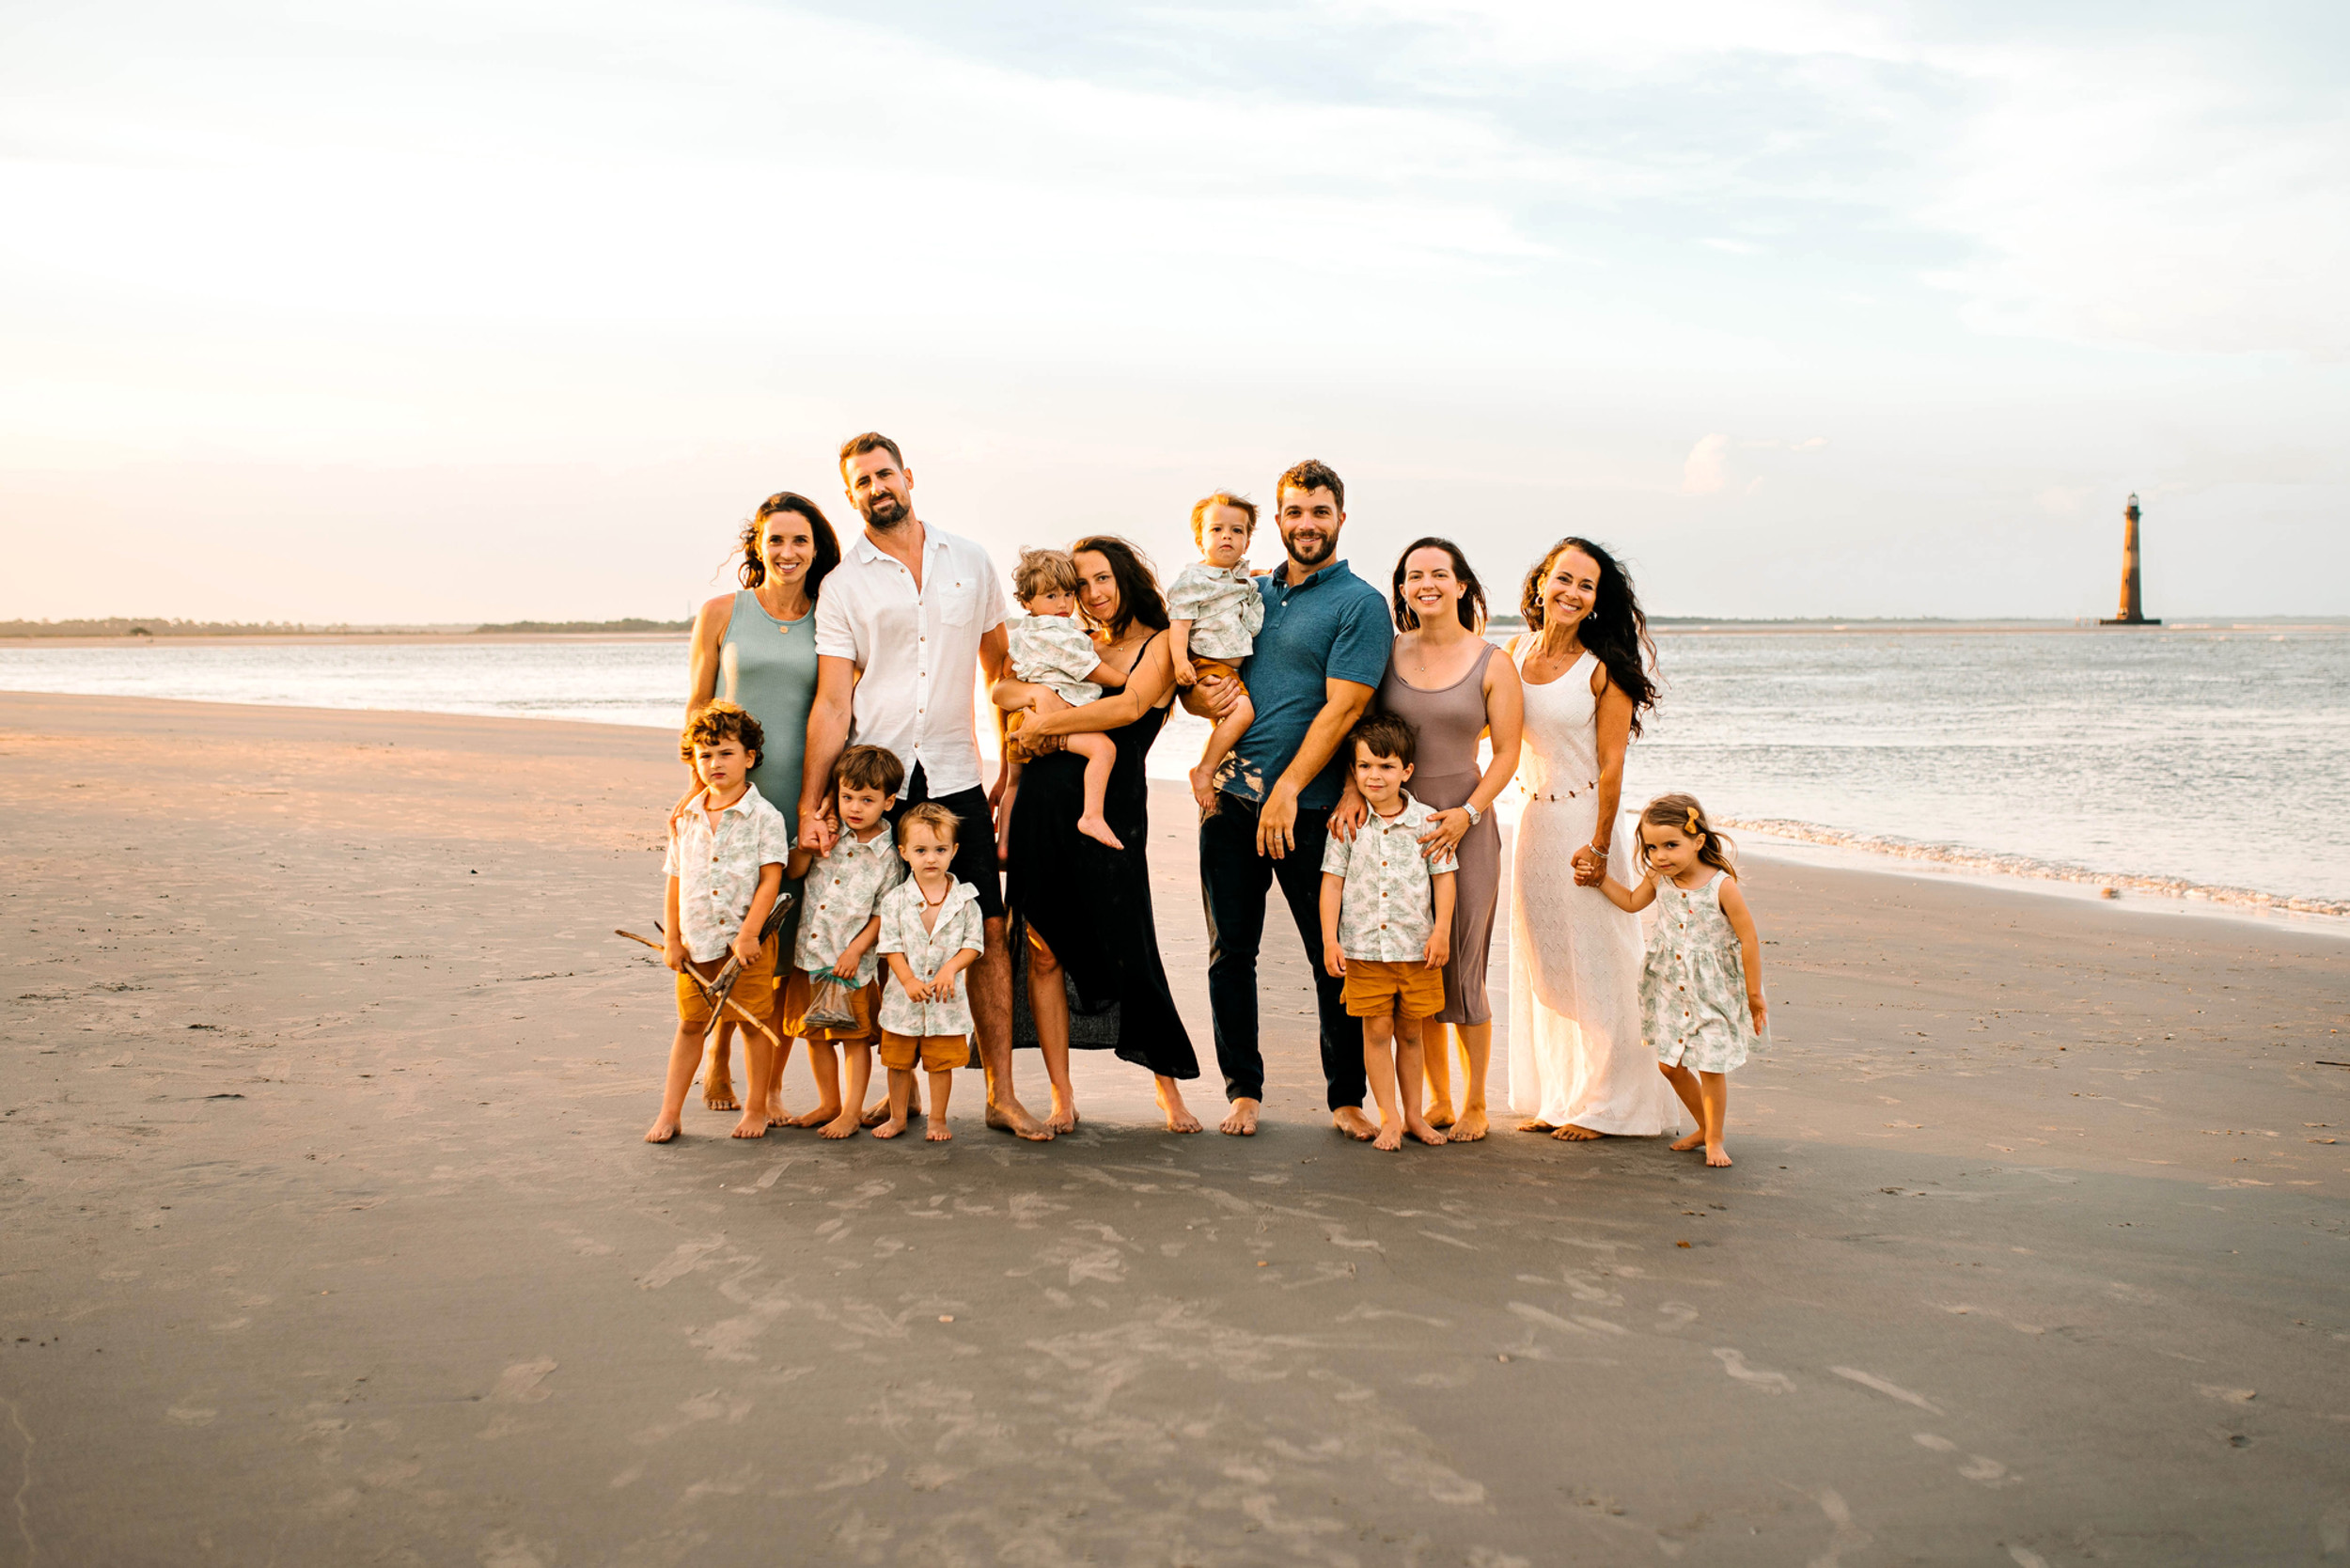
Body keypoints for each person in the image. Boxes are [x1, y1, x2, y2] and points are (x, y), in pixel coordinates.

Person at [797, 431, 1052, 1140]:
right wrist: (813, 802)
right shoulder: (844, 585)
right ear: (851, 496)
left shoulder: (970, 561)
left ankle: (1001, 1093)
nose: (877, 487)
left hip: (957, 775)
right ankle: (896, 1092)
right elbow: (831, 704)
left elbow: (1001, 675)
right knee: (882, 937)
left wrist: (1012, 769)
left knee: (990, 933)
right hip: (880, 784)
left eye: (885, 474)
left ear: (908, 477)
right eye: (862, 481)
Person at [1196, 459, 1394, 1138]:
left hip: (1310, 812)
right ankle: (1242, 1091)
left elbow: (1344, 710)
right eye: (1294, 512)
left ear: (1340, 517)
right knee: (1231, 953)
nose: (1306, 524)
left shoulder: (1360, 604)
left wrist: (1287, 790)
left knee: (1329, 954)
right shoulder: (1246, 593)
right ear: (1276, 521)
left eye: (1319, 512)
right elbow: (1205, 680)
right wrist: (1206, 695)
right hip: (1230, 805)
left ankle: (1345, 1098)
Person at [996, 537, 1205, 1134]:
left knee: (1128, 943)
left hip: (1110, 806)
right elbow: (1004, 691)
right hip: (1042, 801)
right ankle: (1062, 1096)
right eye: (1080, 583)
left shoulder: (1164, 642)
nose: (1093, 593)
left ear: (1127, 578)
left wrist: (1044, 724)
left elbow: (1129, 708)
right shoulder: (1064, 641)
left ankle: (1168, 1089)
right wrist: (1027, 714)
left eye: (1102, 578)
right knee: (1042, 950)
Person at [1505, 537, 1683, 1141]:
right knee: (1549, 966)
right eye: (1564, 579)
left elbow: (1612, 768)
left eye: (1587, 586)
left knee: (1601, 964)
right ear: (1541, 582)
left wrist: (1602, 848)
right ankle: (1563, 1094)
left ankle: (1609, 1104)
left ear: (1597, 602)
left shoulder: (1602, 669)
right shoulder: (1515, 651)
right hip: (1533, 823)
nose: (1572, 593)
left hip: (1584, 826)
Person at [681, 492, 838, 1118]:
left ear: (817, 549)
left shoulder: (830, 618)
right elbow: (698, 705)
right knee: (721, 930)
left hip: (799, 798)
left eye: (800, 541)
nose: (789, 552)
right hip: (730, 797)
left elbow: (833, 711)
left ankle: (767, 1088)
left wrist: (823, 802)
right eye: (776, 540)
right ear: (758, 546)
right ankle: (717, 1056)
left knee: (780, 944)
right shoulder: (722, 612)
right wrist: (699, 789)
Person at [1371, 538, 1523, 1143]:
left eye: (1440, 573)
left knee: (1463, 961)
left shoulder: (1493, 662)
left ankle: (1478, 1102)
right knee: (1416, 963)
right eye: (1414, 575)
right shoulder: (1386, 653)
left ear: (1462, 584)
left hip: (1466, 828)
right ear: (1403, 588)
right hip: (1395, 828)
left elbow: (1509, 753)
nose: (1426, 583)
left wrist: (1468, 812)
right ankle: (1436, 1098)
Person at [1591, 793, 1770, 1168]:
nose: (1659, 856)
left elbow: (1748, 938)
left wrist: (1754, 994)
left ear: (1698, 841)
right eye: (1652, 847)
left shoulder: (1722, 887)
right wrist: (1599, 880)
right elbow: (1629, 902)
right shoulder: (1659, 878)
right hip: (1671, 988)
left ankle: (1716, 1139)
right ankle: (1704, 1127)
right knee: (1669, 1065)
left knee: (1710, 1064)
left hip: (1715, 991)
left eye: (1671, 845)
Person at [645, 702, 791, 1145]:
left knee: (753, 1023)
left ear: (749, 757)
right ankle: (670, 1112)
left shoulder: (764, 816)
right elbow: (675, 879)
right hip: (696, 943)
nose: (715, 763)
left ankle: (756, 1106)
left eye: (726, 753)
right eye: (705, 755)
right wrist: (672, 938)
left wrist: (749, 933)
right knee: (690, 1024)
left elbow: (771, 877)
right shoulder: (685, 817)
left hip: (745, 946)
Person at [1319, 713, 1456, 1152]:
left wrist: (1441, 933)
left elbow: (1444, 878)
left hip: (1416, 949)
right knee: (1376, 1032)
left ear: (1407, 771)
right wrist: (1329, 939)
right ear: (1353, 770)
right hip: (1364, 950)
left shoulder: (1427, 821)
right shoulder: (1347, 823)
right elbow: (1332, 881)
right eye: (1364, 767)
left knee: (1413, 1033)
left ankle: (1415, 1115)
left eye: (1385, 766)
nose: (1374, 776)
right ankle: (1390, 1117)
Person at [776, 745, 904, 1138]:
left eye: (867, 800)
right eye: (848, 797)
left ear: (889, 801)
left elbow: (886, 913)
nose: (855, 807)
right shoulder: (829, 831)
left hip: (851, 964)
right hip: (811, 953)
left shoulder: (890, 856)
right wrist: (807, 843)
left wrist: (856, 950)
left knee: (853, 1039)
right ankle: (828, 1102)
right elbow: (796, 870)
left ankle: (850, 1110)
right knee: (814, 1034)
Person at [995, 547, 1129, 859]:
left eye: (1068, 594)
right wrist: (1125, 679)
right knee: (1103, 749)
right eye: (1051, 597)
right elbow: (1093, 670)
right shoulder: (1061, 634)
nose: (1063, 604)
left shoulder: (1024, 630)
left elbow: (1006, 671)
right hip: (1053, 718)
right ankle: (1092, 815)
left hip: (1021, 717)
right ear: (1027, 601)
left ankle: (1003, 845)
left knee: (1015, 782)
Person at [873, 803, 983, 1142]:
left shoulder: (966, 902)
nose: (931, 858)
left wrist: (951, 968)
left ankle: (938, 1118)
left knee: (941, 1064)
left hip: (945, 1004)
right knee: (897, 1062)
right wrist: (906, 980)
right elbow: (890, 945)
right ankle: (897, 1116)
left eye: (940, 850)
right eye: (921, 850)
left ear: (954, 851)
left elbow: (974, 944)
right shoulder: (895, 901)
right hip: (902, 1002)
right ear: (905, 852)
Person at [1166, 492, 1263, 811]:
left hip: (1230, 669)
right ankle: (1203, 771)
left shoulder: (1242, 579)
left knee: (1227, 728)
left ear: (1247, 542)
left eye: (1237, 531)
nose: (1227, 536)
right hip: (1206, 662)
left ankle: (1216, 768)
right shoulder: (1194, 580)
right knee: (1243, 712)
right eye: (1217, 529)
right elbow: (1179, 625)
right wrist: (1180, 661)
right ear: (1200, 539)